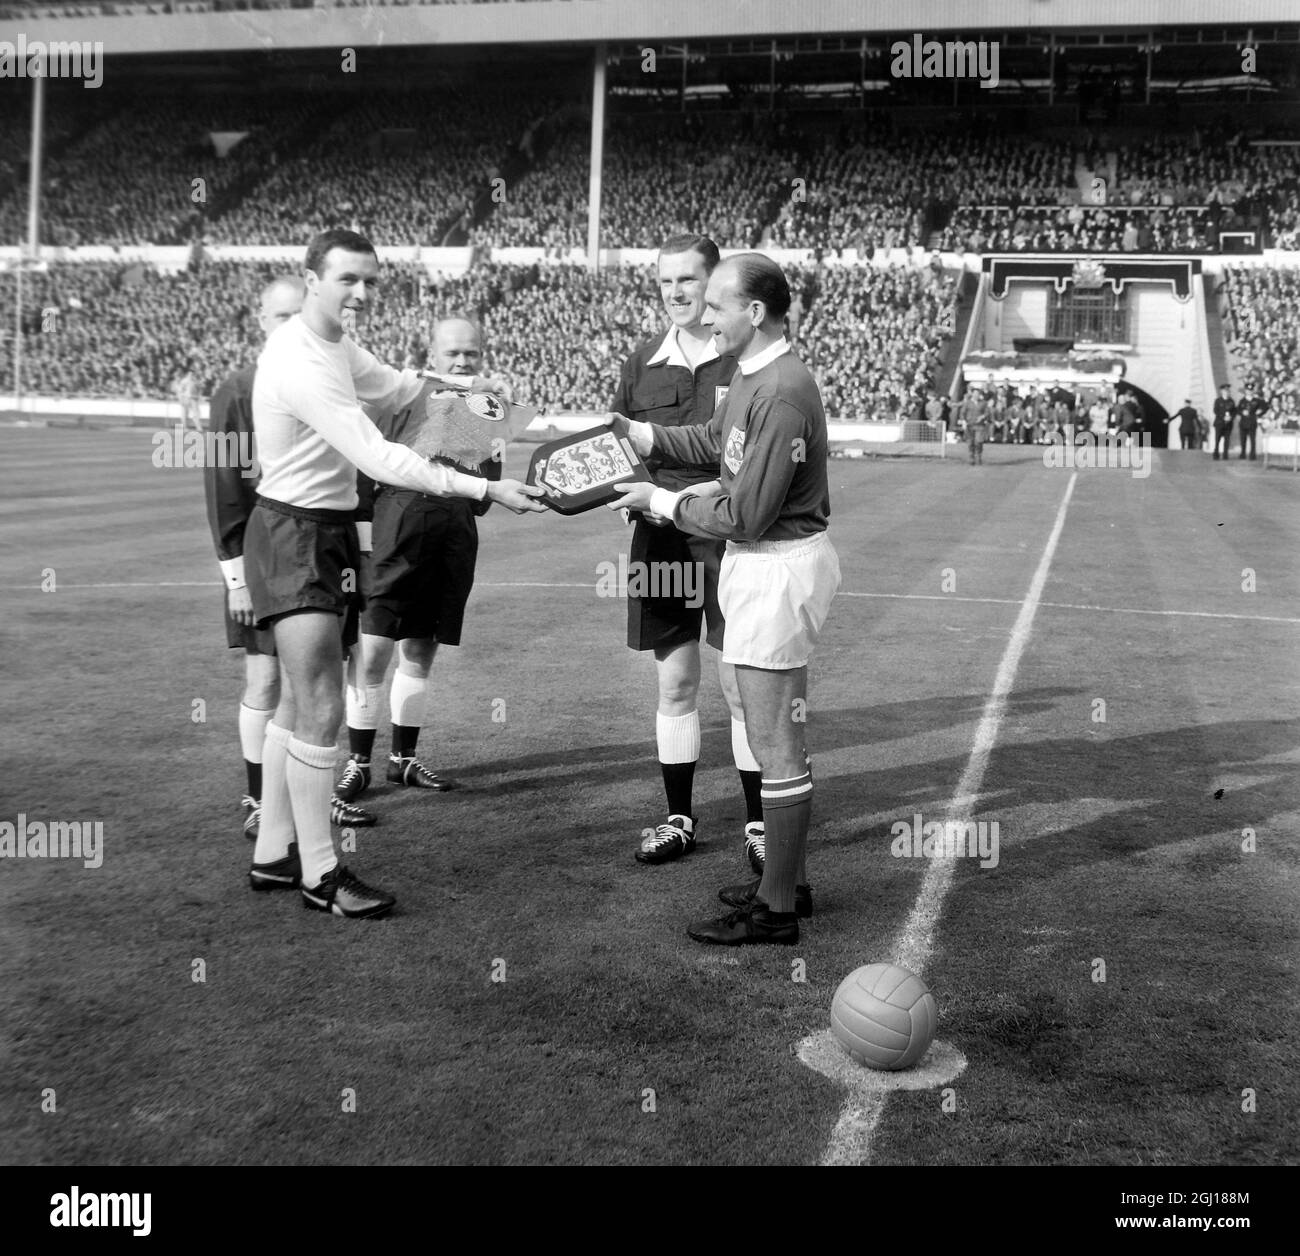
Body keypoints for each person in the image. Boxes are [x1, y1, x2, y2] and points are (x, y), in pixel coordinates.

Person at [244, 228, 545, 920]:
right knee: (321, 702)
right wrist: (486, 489)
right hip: (293, 532)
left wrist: (483, 401)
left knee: (299, 703)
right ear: (312, 277)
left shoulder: (338, 345)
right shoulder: (301, 358)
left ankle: (273, 855)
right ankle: (322, 874)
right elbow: (380, 456)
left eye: (371, 281)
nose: (361, 293)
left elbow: (405, 390)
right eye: (347, 279)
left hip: (318, 531)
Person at [612, 252, 840, 946]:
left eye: (716, 303)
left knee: (775, 742)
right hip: (757, 566)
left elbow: (744, 515)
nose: (703, 314)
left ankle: (777, 908)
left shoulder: (781, 392)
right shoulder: (752, 376)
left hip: (773, 566)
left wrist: (661, 498)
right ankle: (782, 887)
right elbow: (716, 443)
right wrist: (643, 435)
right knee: (756, 715)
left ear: (756, 313)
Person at [204, 276, 380, 841]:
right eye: (278, 317)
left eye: (294, 316)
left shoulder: (330, 374)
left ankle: (300, 810)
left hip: (326, 551)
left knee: (313, 689)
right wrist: (235, 578)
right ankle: (261, 802)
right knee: (267, 681)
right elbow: (224, 488)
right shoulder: (237, 390)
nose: (288, 326)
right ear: (261, 320)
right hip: (273, 551)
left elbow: (356, 471)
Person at [606, 236, 759, 869]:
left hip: (730, 541)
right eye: (665, 281)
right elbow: (618, 446)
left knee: (739, 686)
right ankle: (679, 818)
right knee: (676, 682)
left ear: (713, 281)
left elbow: (753, 461)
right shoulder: (641, 361)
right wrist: (616, 489)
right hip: (662, 540)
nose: (675, 293)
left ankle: (757, 824)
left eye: (688, 280)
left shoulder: (745, 360)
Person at [334, 314, 505, 808]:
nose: (461, 361)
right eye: (452, 352)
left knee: (422, 647)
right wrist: (367, 541)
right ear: (431, 353)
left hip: (454, 533)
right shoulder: (403, 396)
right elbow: (366, 464)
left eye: (470, 353)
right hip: (395, 526)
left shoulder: (487, 405)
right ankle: (358, 762)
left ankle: (403, 759)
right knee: (374, 647)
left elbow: (484, 494)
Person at [1238, 384, 1265, 460]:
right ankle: (1243, 453)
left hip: (1252, 422)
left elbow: (1265, 407)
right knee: (1243, 439)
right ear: (1245, 391)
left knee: (1252, 440)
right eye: (1247, 390)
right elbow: (1238, 410)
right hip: (1243, 422)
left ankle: (1252, 454)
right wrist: (1242, 412)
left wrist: (1259, 412)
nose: (1249, 392)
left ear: (1253, 391)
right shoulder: (1242, 401)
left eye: (1251, 390)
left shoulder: (1257, 401)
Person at [1212, 384, 1236, 461]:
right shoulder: (1218, 401)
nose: (1226, 392)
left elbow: (1234, 411)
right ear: (1221, 391)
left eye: (1228, 391)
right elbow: (1216, 411)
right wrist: (1223, 417)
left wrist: (1231, 417)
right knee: (1217, 439)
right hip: (1219, 423)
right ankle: (1216, 453)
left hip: (1228, 424)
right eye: (1225, 391)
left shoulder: (1231, 401)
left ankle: (1225, 454)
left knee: (1227, 440)